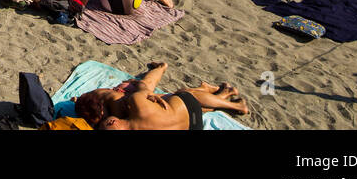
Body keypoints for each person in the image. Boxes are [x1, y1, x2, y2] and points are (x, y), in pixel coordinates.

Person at [74, 62, 249, 130]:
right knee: (183, 95)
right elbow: (145, 89)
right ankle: (234, 104)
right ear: (112, 121)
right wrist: (139, 86)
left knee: (170, 107)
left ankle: (223, 95)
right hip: (187, 107)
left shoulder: (126, 110)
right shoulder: (134, 103)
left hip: (194, 127)